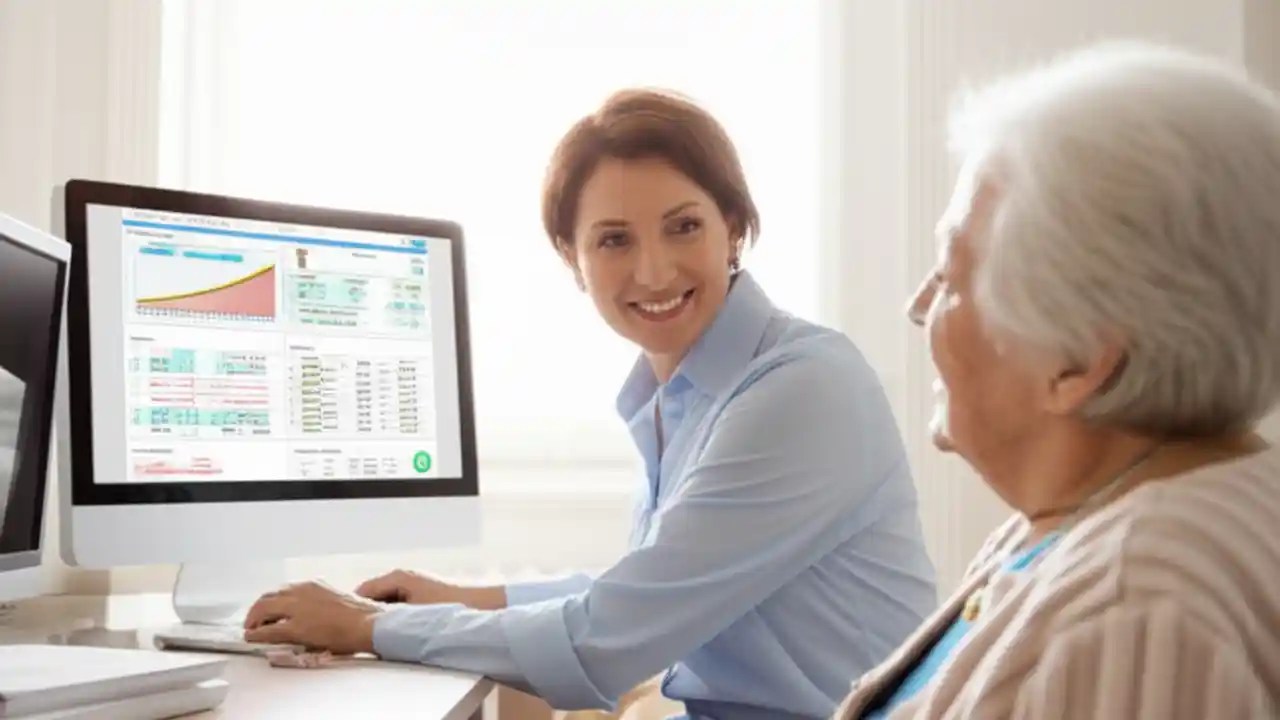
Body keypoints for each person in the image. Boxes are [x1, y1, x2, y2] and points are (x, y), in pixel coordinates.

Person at [244, 88, 937, 718]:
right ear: (572, 259)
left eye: (683, 227)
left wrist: (368, 626)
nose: (653, 270)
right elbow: (647, 590)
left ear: (733, 226)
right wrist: (464, 598)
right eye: (614, 240)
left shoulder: (798, 387)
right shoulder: (686, 390)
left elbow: (606, 641)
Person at [836, 42, 1280, 719]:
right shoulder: (1105, 508)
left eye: (953, 275)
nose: (919, 304)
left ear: (1076, 359)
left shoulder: (1134, 605)